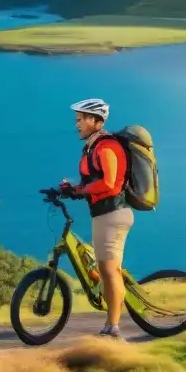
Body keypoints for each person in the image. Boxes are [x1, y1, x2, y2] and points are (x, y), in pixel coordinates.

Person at [60, 98, 133, 340]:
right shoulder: (92, 147)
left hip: (113, 214)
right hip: (103, 215)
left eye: (81, 120)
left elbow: (110, 184)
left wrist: (80, 191)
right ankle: (112, 316)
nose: (77, 124)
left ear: (96, 121)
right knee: (105, 268)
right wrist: (70, 188)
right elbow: (93, 181)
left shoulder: (107, 147)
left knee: (109, 270)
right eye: (76, 120)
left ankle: (113, 328)